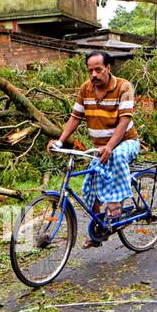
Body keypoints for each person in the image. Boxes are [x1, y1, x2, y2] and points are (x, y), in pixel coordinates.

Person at [48, 51, 141, 248]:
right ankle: (100, 227)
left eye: (98, 69)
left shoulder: (123, 86)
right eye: (90, 70)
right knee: (90, 183)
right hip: (100, 148)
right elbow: (75, 117)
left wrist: (110, 146)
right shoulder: (86, 89)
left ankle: (116, 209)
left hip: (125, 142)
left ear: (108, 68)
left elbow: (125, 120)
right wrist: (60, 140)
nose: (94, 74)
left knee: (116, 156)